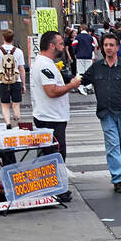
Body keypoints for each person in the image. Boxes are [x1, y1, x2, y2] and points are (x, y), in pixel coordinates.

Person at [79, 32, 121, 192]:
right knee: (113, 144)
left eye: (111, 45)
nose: (108, 48)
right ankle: (119, 179)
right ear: (102, 47)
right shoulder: (97, 67)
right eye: (106, 45)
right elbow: (83, 79)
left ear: (117, 47)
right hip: (106, 113)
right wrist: (64, 77)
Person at [30, 30, 85, 201]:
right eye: (61, 44)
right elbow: (52, 91)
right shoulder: (45, 65)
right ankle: (56, 189)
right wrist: (72, 84)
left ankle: (53, 187)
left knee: (53, 153)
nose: (63, 46)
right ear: (52, 45)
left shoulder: (45, 63)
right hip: (50, 118)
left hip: (51, 116)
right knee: (55, 154)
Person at [0, 29, 25, 126]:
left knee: (5, 105)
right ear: (13, 39)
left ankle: (8, 122)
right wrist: (23, 84)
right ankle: (16, 122)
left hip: (2, 81)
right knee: (16, 103)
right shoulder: (18, 51)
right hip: (16, 80)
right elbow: (21, 69)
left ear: (3, 38)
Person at [73, 26, 96, 93]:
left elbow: (74, 45)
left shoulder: (78, 37)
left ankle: (80, 87)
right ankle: (88, 87)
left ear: (81, 29)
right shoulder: (90, 37)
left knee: (80, 72)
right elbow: (93, 46)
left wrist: (76, 52)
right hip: (88, 56)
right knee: (88, 72)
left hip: (80, 56)